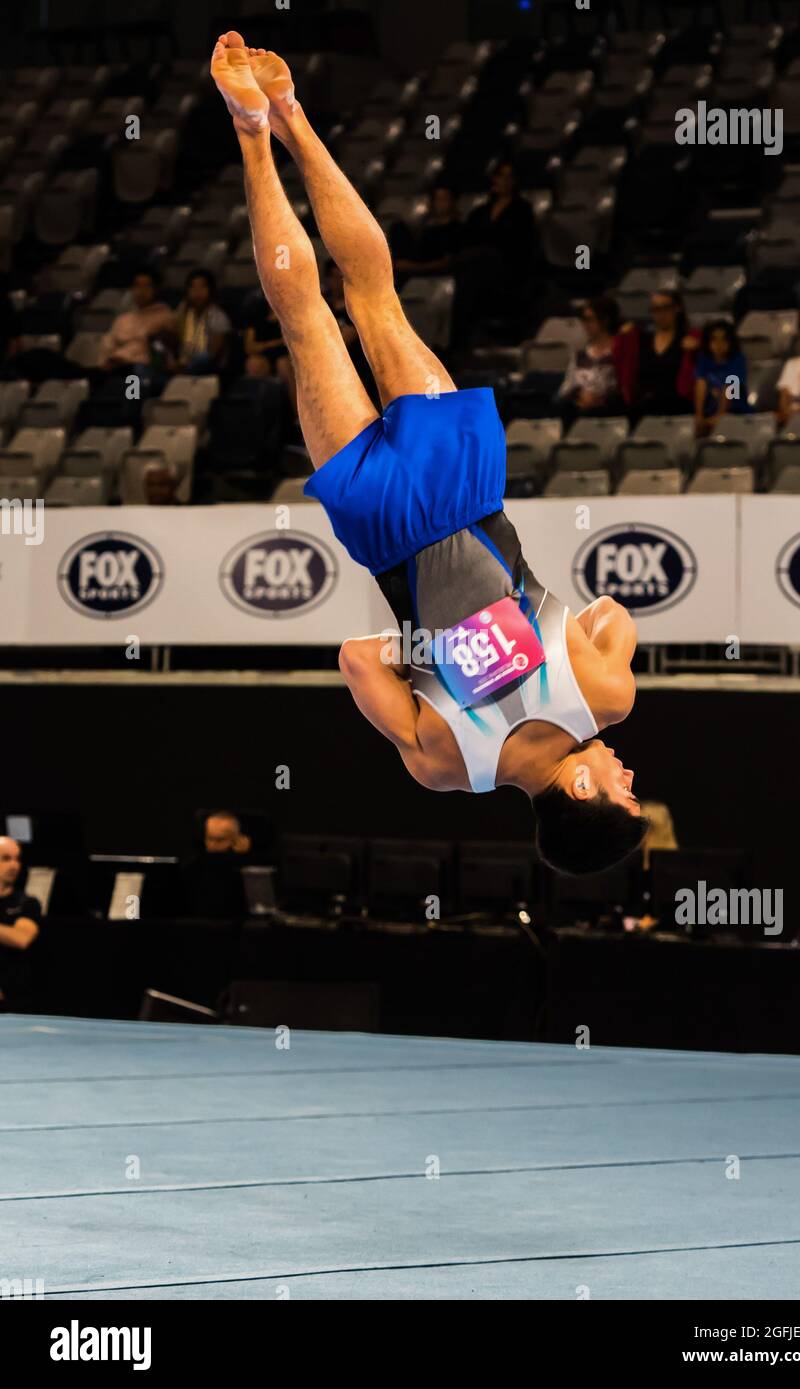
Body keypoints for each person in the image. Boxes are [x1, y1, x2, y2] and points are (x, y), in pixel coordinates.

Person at [210, 32, 648, 876]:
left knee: (374, 299)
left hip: (465, 482)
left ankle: (294, 115)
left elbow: (612, 616)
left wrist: (539, 633)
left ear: (585, 792)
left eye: (622, 788)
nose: (629, 773)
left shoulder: (606, 700)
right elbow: (354, 657)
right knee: (307, 328)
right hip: (384, 528)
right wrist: (439, 656)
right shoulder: (446, 767)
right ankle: (252, 129)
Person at [619, 290, 698, 419]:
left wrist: (696, 349)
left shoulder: (689, 339)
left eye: (666, 308)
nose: (661, 314)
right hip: (645, 404)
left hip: (678, 404)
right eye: (655, 309)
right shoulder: (641, 340)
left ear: (677, 308)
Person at [558, 296, 625, 419]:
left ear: (605, 320)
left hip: (610, 412)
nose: (585, 325)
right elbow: (566, 389)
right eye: (584, 319)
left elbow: (626, 388)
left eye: (590, 320)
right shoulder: (579, 355)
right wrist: (580, 395)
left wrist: (599, 399)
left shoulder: (621, 351)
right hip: (579, 410)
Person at [97, 270, 175, 375]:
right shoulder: (122, 319)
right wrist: (106, 363)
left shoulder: (165, 317)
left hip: (140, 368)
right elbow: (108, 344)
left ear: (156, 290)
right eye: (137, 286)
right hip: (114, 366)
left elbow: (159, 351)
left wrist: (124, 359)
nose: (141, 291)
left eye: (147, 286)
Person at [0, 837, 41, 1011]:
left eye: (17, 859)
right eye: (6, 858)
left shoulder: (26, 903)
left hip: (13, 1003)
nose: (14, 865)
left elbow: (21, 938)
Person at [392, 184, 465, 278]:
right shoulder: (429, 230)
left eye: (444, 199)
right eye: (437, 199)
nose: (440, 203)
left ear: (454, 201)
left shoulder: (458, 229)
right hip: (417, 266)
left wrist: (416, 267)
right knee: (397, 227)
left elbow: (448, 261)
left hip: (435, 273)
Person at [693, 319, 750, 437]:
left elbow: (730, 387)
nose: (719, 344)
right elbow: (700, 384)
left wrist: (721, 414)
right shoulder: (704, 359)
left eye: (724, 339)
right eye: (714, 339)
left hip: (736, 412)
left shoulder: (738, 360)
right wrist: (699, 415)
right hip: (709, 413)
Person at [172, 268, 231, 373]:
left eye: (202, 287)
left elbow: (213, 354)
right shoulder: (182, 313)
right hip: (183, 362)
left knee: (202, 360)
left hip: (208, 367)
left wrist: (185, 365)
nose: (197, 292)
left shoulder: (218, 316)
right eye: (193, 287)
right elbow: (175, 341)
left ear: (210, 290)